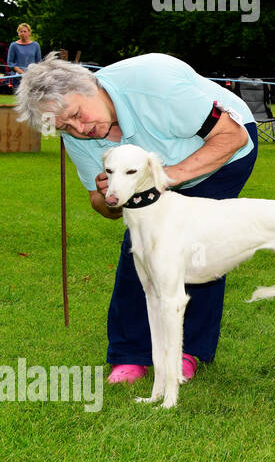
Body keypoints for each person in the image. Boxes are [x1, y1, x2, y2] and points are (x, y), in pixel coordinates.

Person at [14, 55, 257, 383]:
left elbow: (233, 137)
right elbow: (101, 206)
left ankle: (186, 350)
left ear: (89, 85)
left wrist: (165, 177)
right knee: (140, 247)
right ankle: (130, 354)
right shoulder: (76, 134)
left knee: (196, 250)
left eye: (76, 115)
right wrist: (110, 197)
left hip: (225, 149)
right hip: (161, 172)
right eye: (64, 127)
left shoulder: (156, 85)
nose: (80, 130)